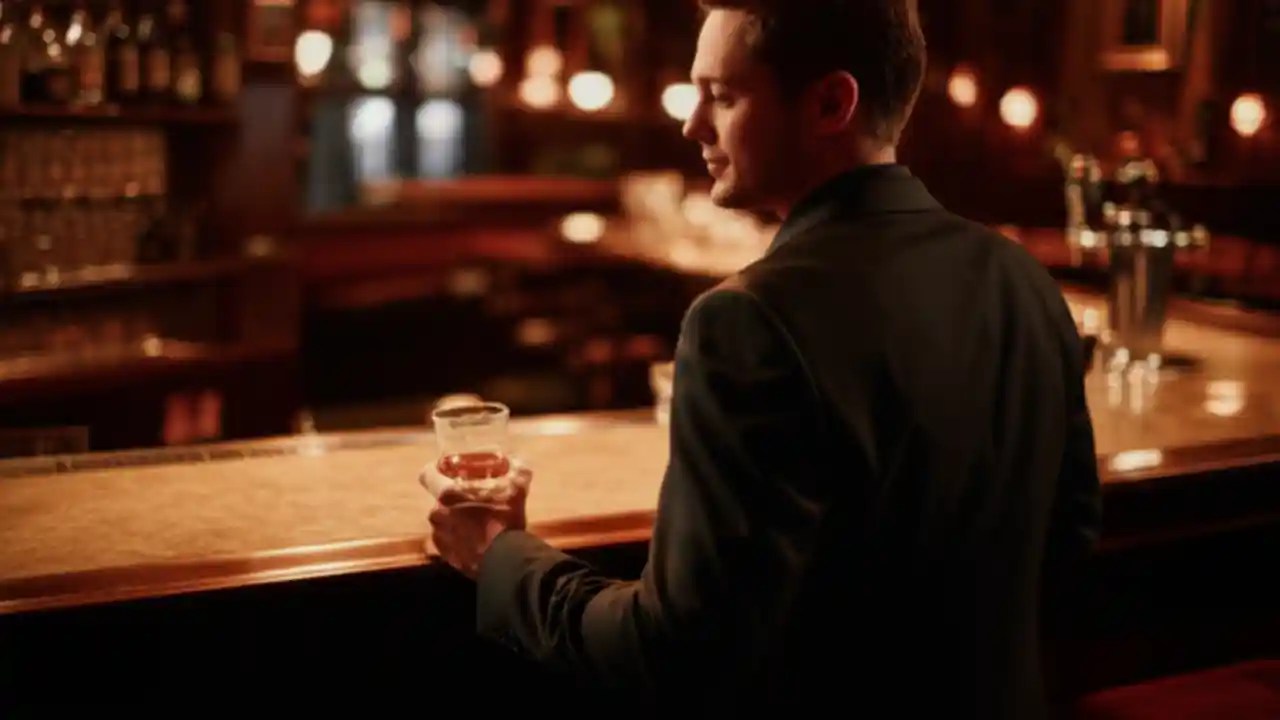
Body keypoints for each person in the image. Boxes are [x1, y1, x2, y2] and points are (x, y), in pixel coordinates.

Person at [429, 0, 1102, 716]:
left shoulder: (748, 321)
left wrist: (500, 553)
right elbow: (1069, 556)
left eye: (723, 95)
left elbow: (671, 656)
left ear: (830, 104)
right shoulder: (1026, 283)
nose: (692, 123)